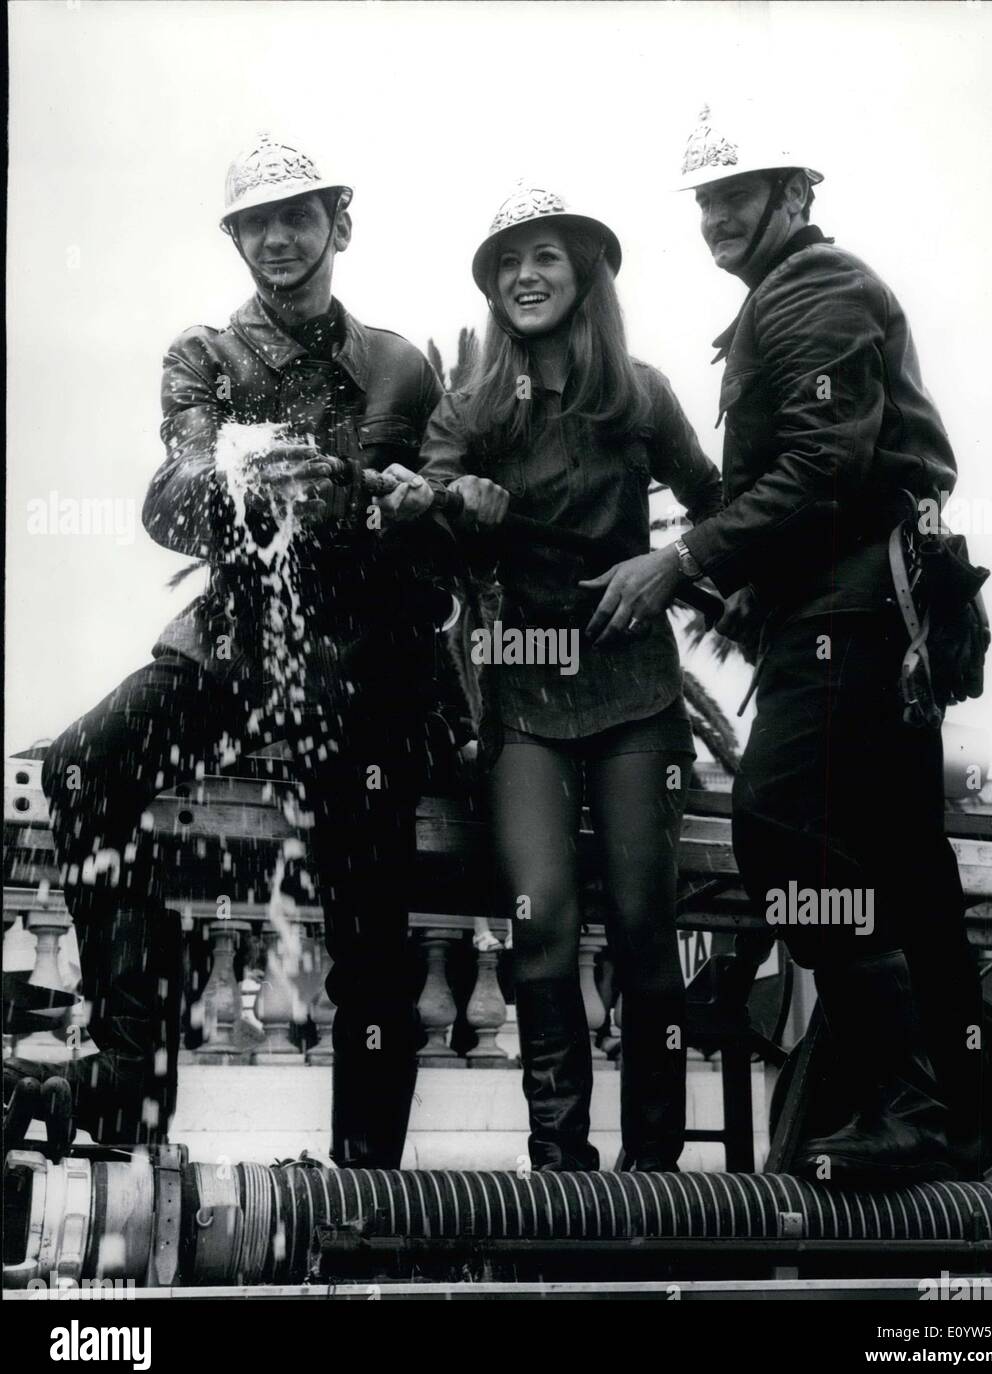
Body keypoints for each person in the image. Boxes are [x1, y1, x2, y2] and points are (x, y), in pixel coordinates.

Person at [5, 135, 447, 1169]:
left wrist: (379, 507)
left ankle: (365, 1193)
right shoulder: (203, 354)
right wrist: (246, 491)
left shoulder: (400, 366)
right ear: (235, 238)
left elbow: (436, 549)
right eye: (256, 222)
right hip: (236, 649)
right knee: (78, 764)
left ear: (341, 223)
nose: (278, 238)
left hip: (364, 667)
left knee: (373, 941)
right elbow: (174, 490)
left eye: (298, 217)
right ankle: (126, 1065)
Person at [674, 106, 984, 1181]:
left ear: (795, 197)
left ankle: (906, 1099)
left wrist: (681, 563)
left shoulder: (812, 293)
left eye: (735, 195)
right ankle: (942, 1106)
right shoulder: (791, 294)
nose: (715, 215)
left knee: (776, 822)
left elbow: (819, 472)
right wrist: (729, 575)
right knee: (900, 858)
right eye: (706, 199)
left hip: (854, 616)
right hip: (862, 609)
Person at [418, 183, 723, 1172]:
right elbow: (423, 510)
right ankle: (558, 1162)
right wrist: (454, 503)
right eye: (507, 263)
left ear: (584, 273)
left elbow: (723, 507)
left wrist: (672, 564)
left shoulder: (640, 393)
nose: (525, 276)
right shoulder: (469, 406)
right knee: (541, 918)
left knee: (644, 923)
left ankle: (657, 1170)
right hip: (524, 689)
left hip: (636, 689)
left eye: (545, 256)